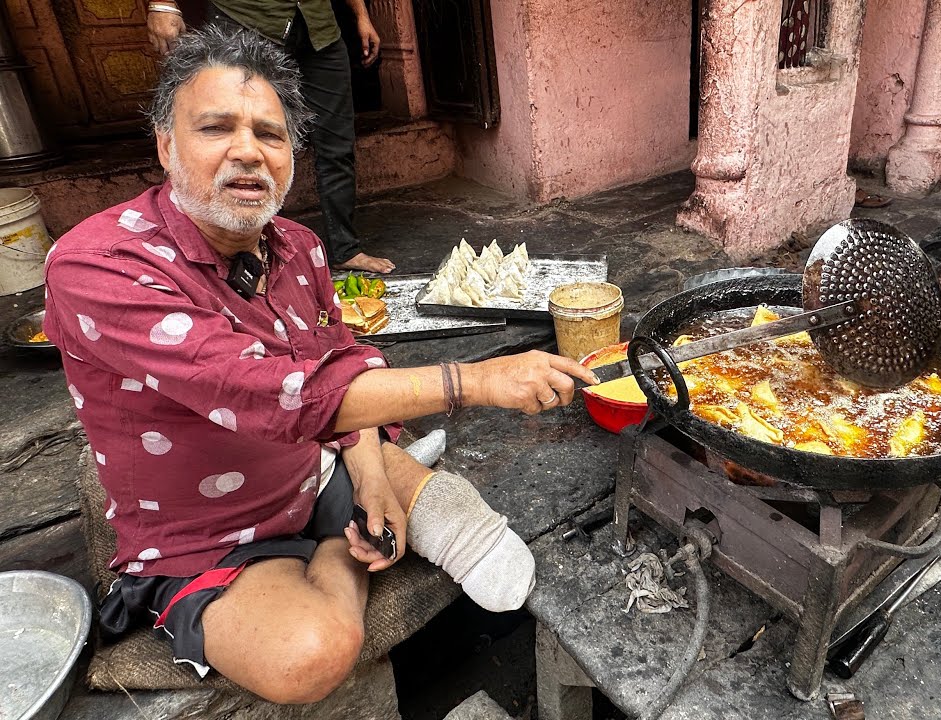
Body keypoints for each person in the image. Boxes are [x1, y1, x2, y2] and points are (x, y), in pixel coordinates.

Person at [43, 26, 597, 704]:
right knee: (310, 655)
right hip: (201, 535)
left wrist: (365, 474)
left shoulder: (298, 246)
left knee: (372, 455)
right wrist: (475, 380)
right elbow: (264, 392)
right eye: (216, 127)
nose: (247, 151)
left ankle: (368, 483)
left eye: (270, 135)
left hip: (309, 463)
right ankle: (349, 534)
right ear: (165, 144)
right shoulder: (97, 266)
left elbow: (337, 359)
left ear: (291, 155)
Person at [146, 0, 396, 274]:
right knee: (239, 143)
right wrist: (163, 4)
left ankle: (345, 249)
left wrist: (361, 15)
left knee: (338, 145)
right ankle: (252, 255)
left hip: (318, 27)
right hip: (247, 19)